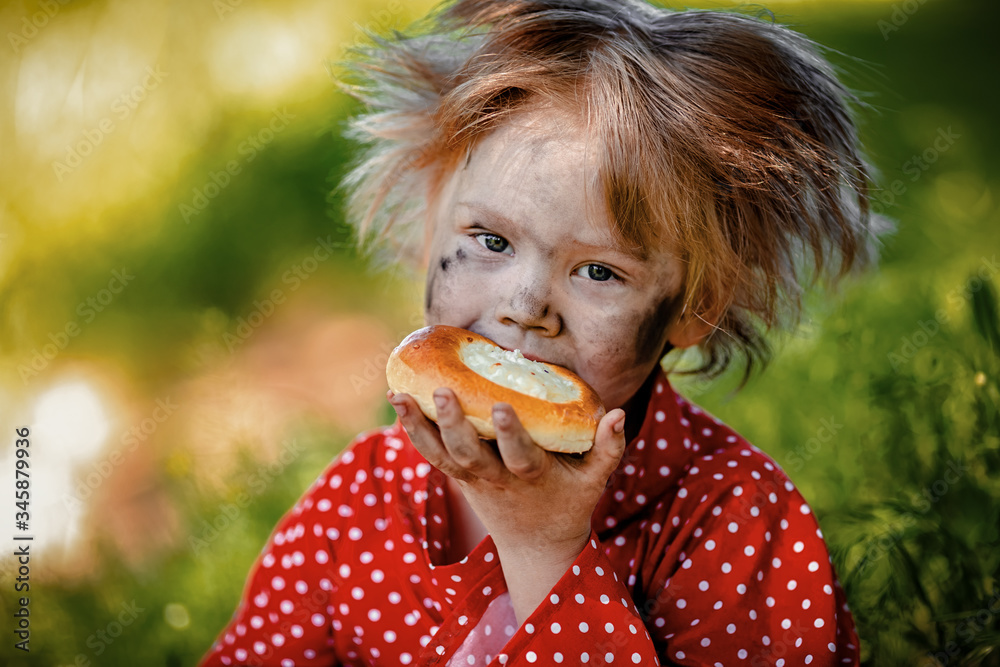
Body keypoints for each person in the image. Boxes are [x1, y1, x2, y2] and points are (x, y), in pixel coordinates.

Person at [200, 0, 887, 664]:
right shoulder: (360, 506)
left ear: (691, 309)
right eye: (492, 239)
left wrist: (542, 550)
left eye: (597, 270)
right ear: (429, 223)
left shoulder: (731, 521)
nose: (527, 304)